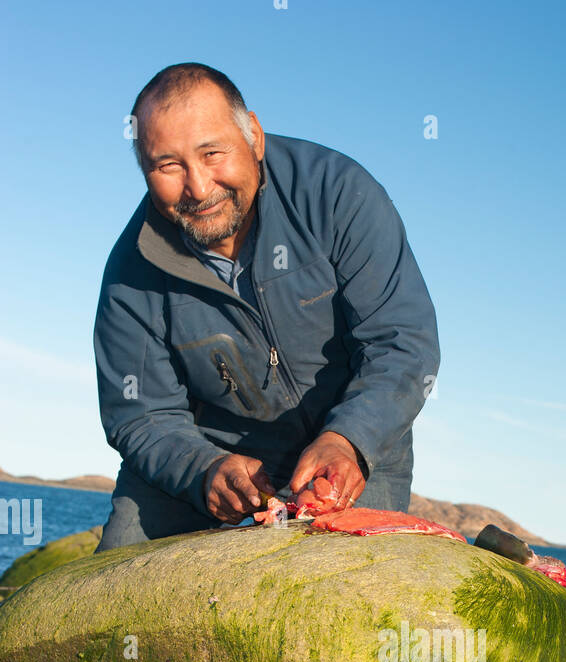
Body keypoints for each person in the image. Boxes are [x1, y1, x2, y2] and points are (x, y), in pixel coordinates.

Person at [94, 63, 440, 551]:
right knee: (116, 590)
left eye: (213, 153)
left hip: (352, 437)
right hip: (206, 453)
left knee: (345, 605)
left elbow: (401, 341)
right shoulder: (132, 269)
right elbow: (141, 415)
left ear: (253, 136)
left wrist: (349, 439)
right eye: (168, 166)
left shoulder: (339, 193)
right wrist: (202, 469)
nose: (197, 187)